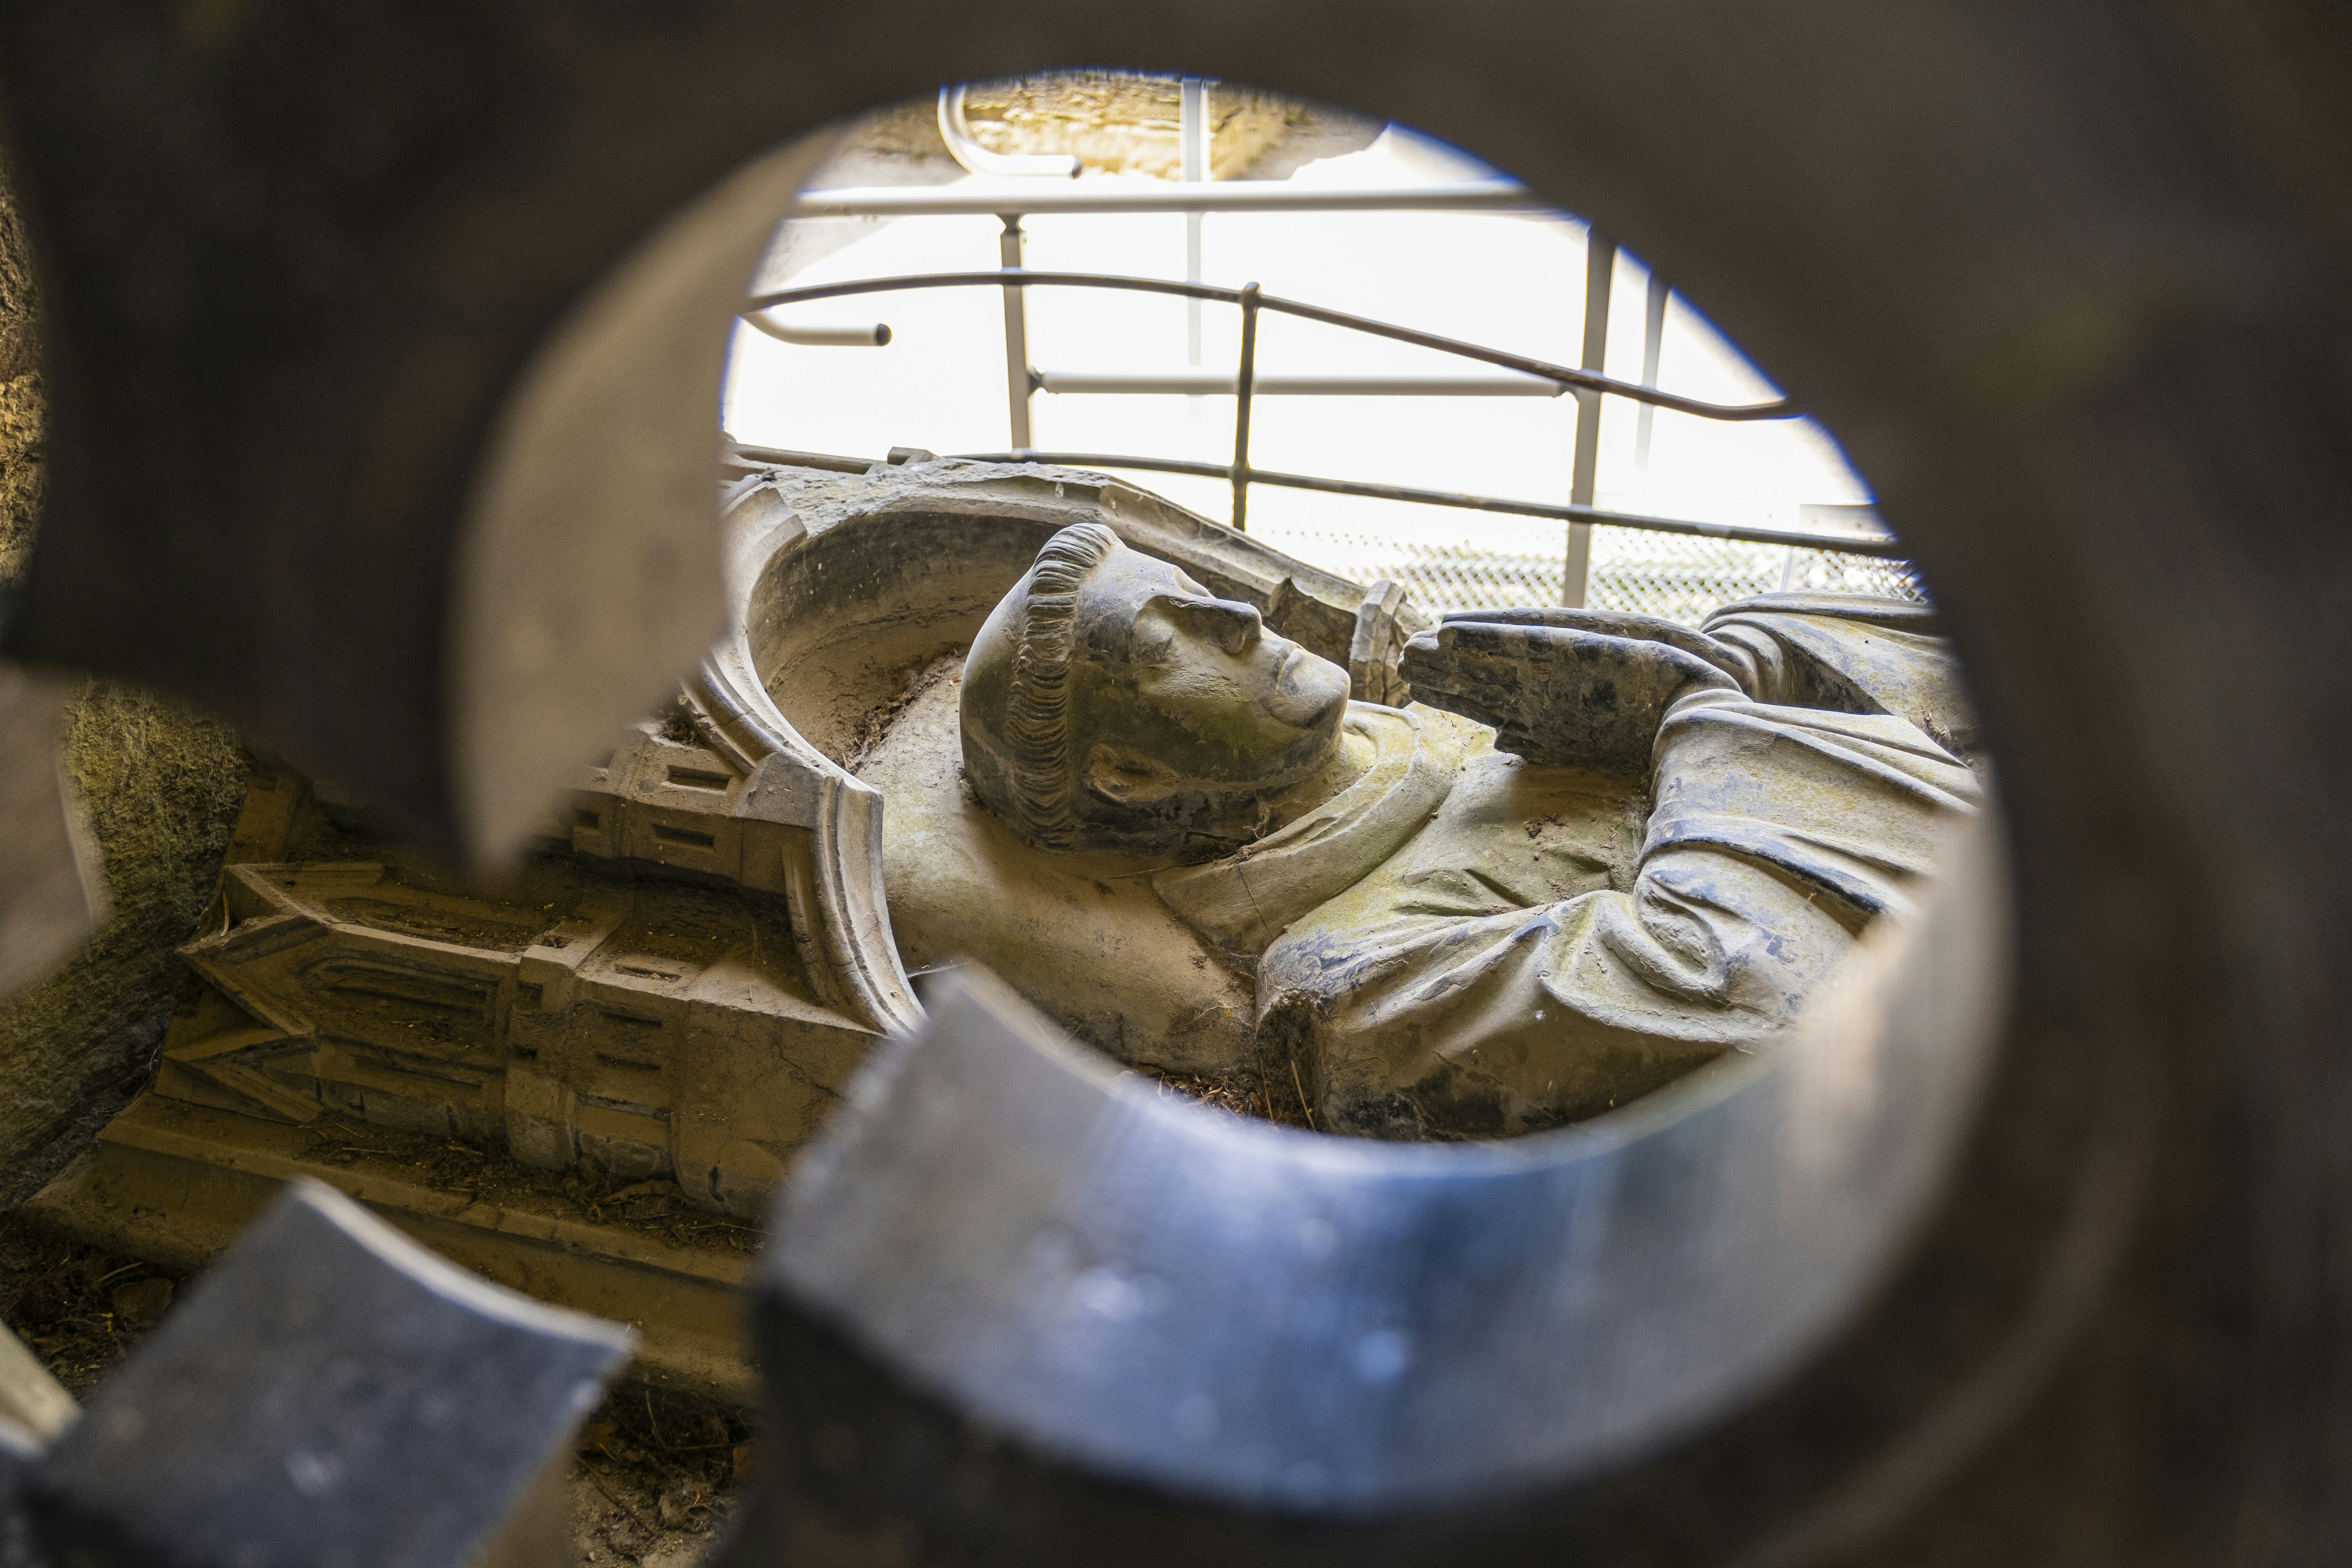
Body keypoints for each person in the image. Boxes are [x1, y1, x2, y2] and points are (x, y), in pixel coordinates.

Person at [879, 521, 1981, 1138]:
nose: (1241, 615)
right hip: (1976, 1022)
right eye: (1176, 642)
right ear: (1127, 773)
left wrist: (1722, 671)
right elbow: (1754, 990)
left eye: (1193, 589)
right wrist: (1698, 708)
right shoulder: (1348, 984)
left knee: (1757, 624)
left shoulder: (1472, 699)